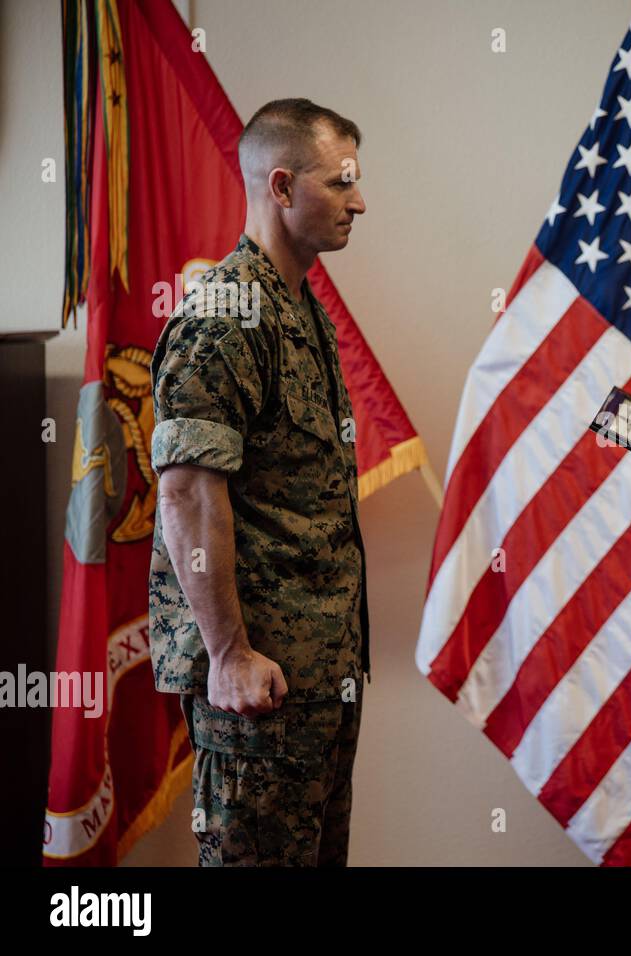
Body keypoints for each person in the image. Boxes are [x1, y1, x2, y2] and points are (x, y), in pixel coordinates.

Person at [148, 98, 369, 866]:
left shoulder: (303, 314)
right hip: (258, 691)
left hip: (317, 682)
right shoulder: (224, 317)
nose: (359, 202)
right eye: (340, 183)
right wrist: (230, 651)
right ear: (280, 187)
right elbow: (184, 494)